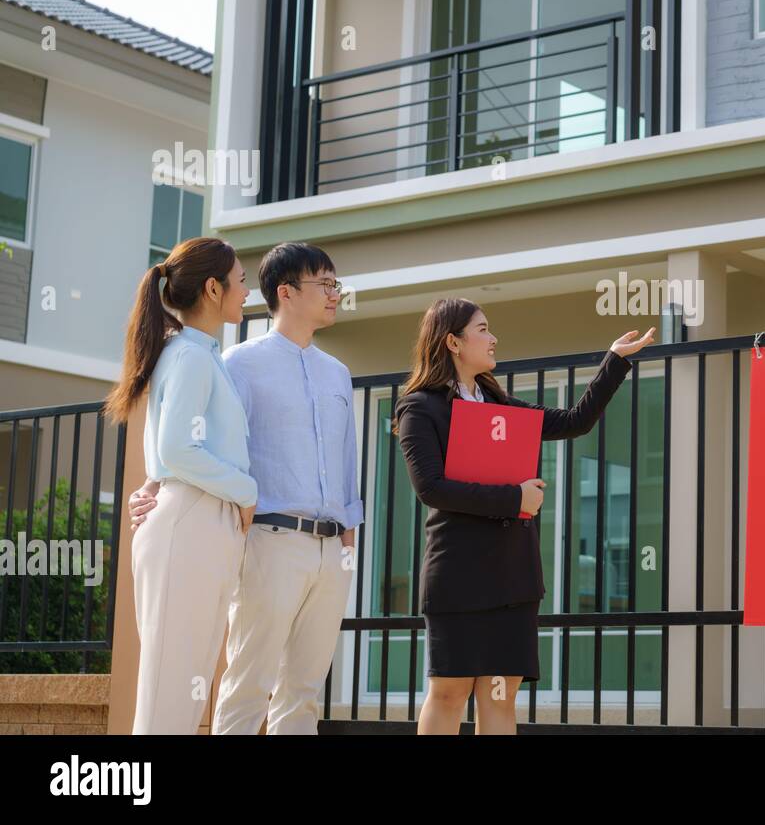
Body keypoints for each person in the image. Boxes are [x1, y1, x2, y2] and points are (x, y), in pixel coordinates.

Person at [128, 242, 361, 734]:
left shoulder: (338, 373)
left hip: (331, 550)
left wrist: (348, 537)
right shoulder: (234, 363)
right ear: (287, 291)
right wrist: (154, 483)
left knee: (303, 693)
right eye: (325, 283)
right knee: (246, 684)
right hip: (267, 543)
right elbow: (199, 437)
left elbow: (345, 462)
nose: (335, 293)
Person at [394, 298, 654, 734]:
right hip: (457, 575)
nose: (493, 338)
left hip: (513, 574)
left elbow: (575, 421)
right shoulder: (420, 407)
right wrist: (513, 499)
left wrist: (614, 361)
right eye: (482, 330)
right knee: (448, 693)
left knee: (500, 695)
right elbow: (430, 488)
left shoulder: (500, 403)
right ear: (453, 341)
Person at [105, 237, 257, 735]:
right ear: (213, 289)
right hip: (191, 523)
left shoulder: (199, 355)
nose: (246, 291)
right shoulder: (191, 357)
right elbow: (175, 451)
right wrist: (246, 490)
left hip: (198, 523)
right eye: (239, 281)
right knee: (171, 694)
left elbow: (177, 452)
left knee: (185, 690)